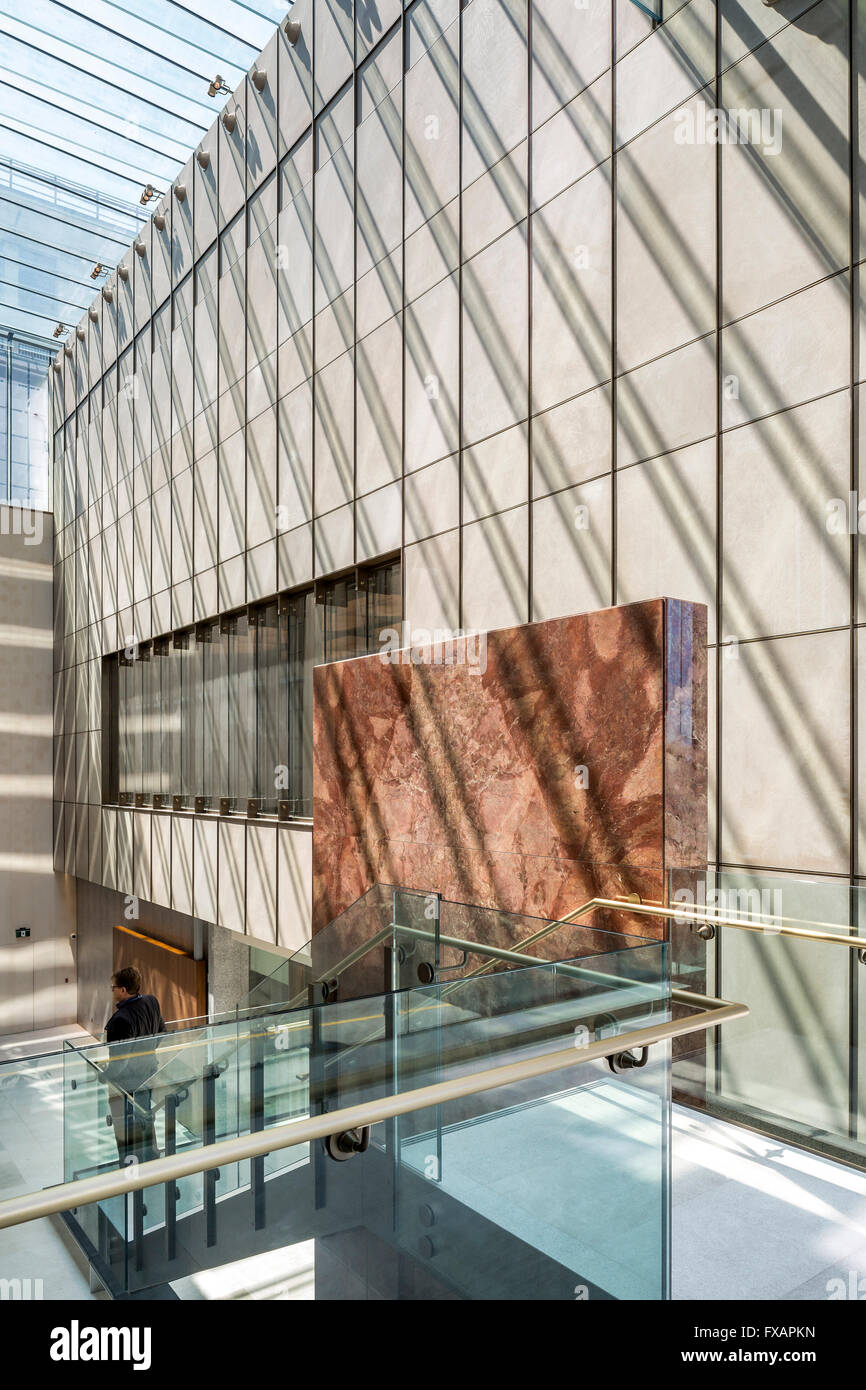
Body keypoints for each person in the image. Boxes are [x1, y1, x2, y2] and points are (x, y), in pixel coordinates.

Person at [103, 966, 166, 1165]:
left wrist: (105, 1075)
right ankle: (151, 1157)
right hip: (148, 1072)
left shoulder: (119, 1021)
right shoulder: (151, 1002)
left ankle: (130, 1162)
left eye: (113, 987)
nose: (111, 991)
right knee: (146, 1115)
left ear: (123, 990)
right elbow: (162, 1032)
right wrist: (149, 1053)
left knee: (125, 1122)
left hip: (127, 1082)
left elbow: (119, 1061)